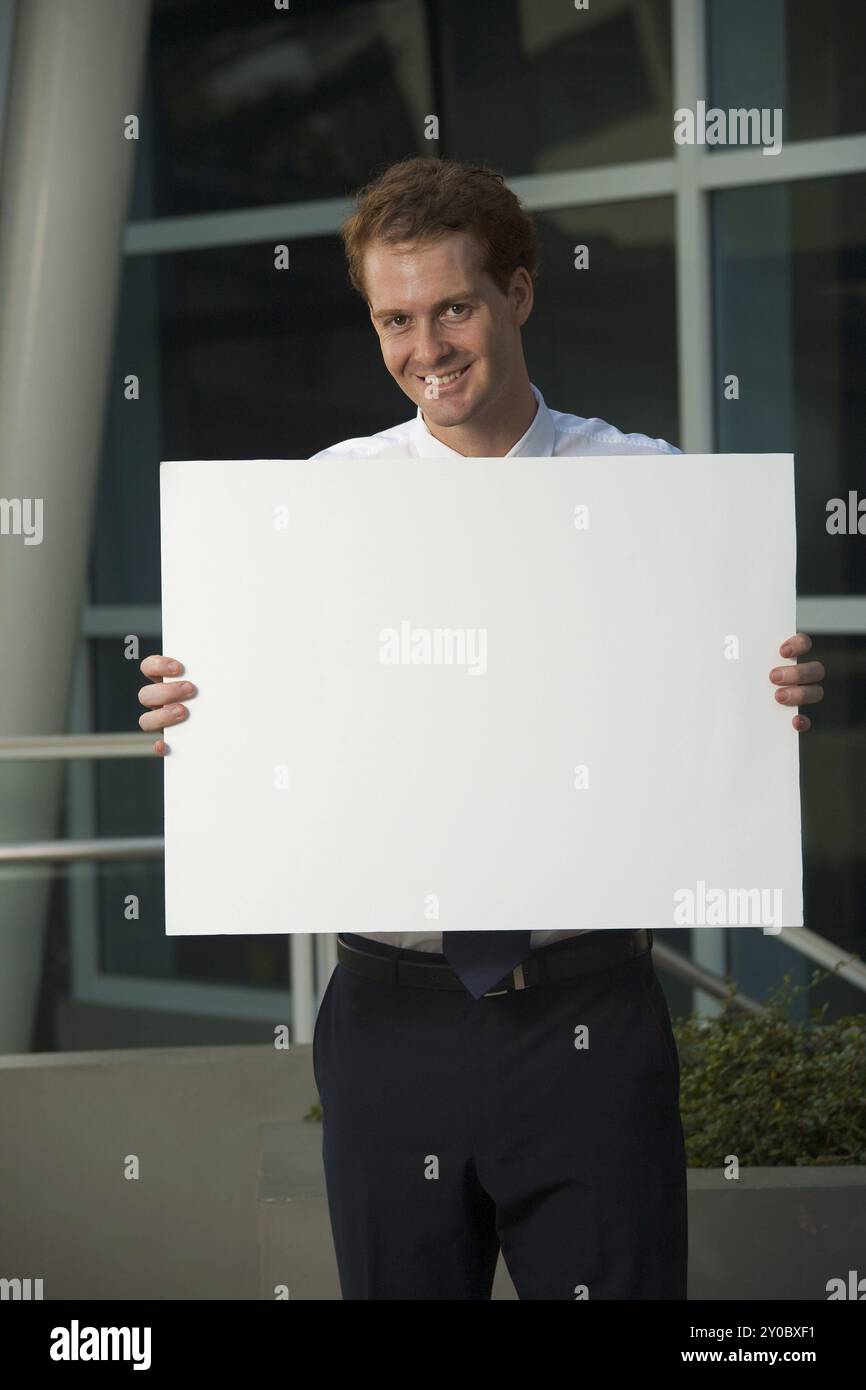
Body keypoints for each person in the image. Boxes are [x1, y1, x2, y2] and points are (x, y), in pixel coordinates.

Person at [138, 157, 825, 1300]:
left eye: (452, 307)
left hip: (585, 1015)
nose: (427, 347)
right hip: (387, 1021)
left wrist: (766, 692)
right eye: (393, 320)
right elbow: (268, 727)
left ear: (518, 291)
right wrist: (195, 714)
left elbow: (711, 709)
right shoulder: (320, 507)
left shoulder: (646, 490)